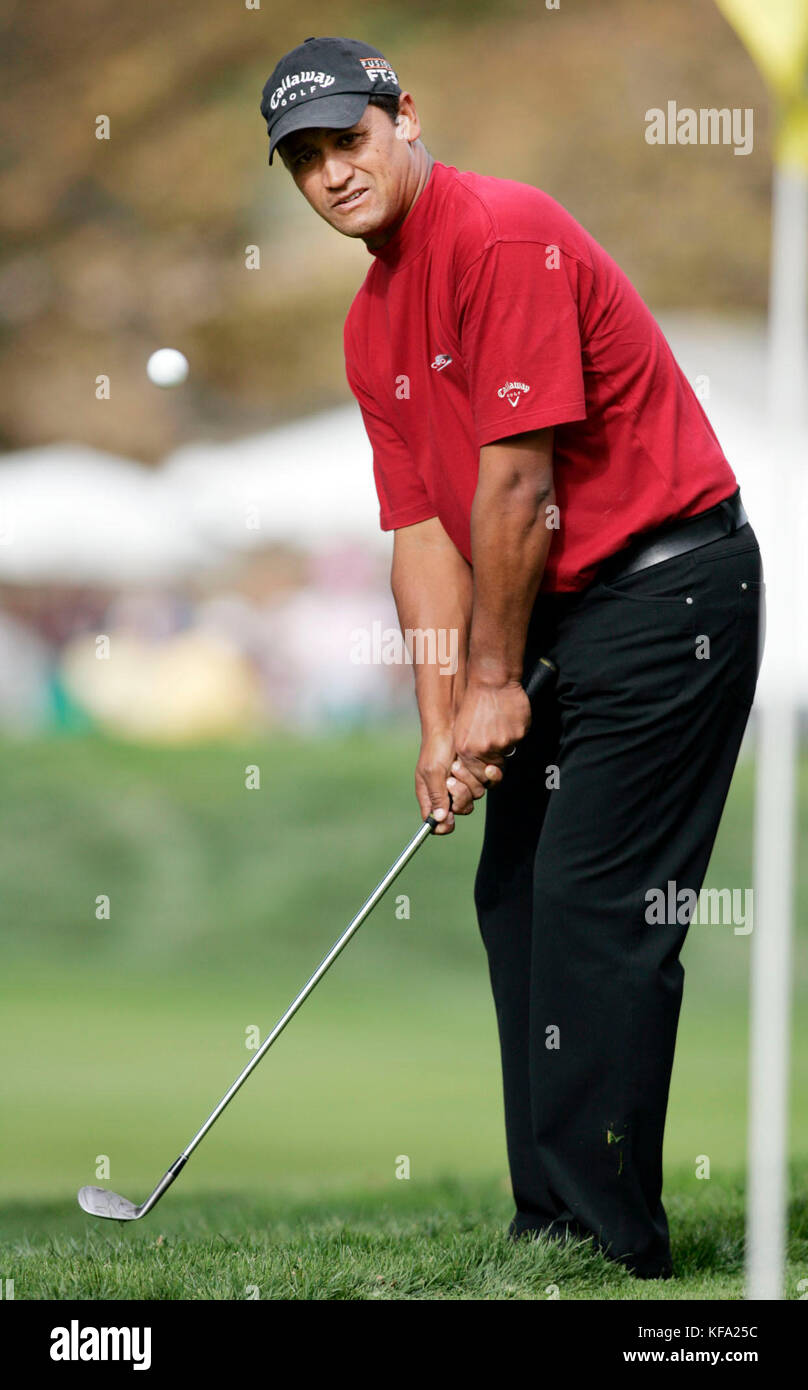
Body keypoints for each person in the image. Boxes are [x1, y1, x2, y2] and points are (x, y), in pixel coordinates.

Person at [260, 35, 765, 1279]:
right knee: (515, 907)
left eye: (350, 139)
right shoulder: (370, 319)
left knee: (595, 911)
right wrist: (440, 718)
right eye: (305, 159)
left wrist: (492, 683)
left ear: (406, 118)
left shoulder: (503, 235)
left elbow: (520, 486)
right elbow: (421, 535)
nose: (333, 173)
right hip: (553, 617)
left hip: (667, 594)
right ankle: (546, 1221)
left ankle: (607, 1240)